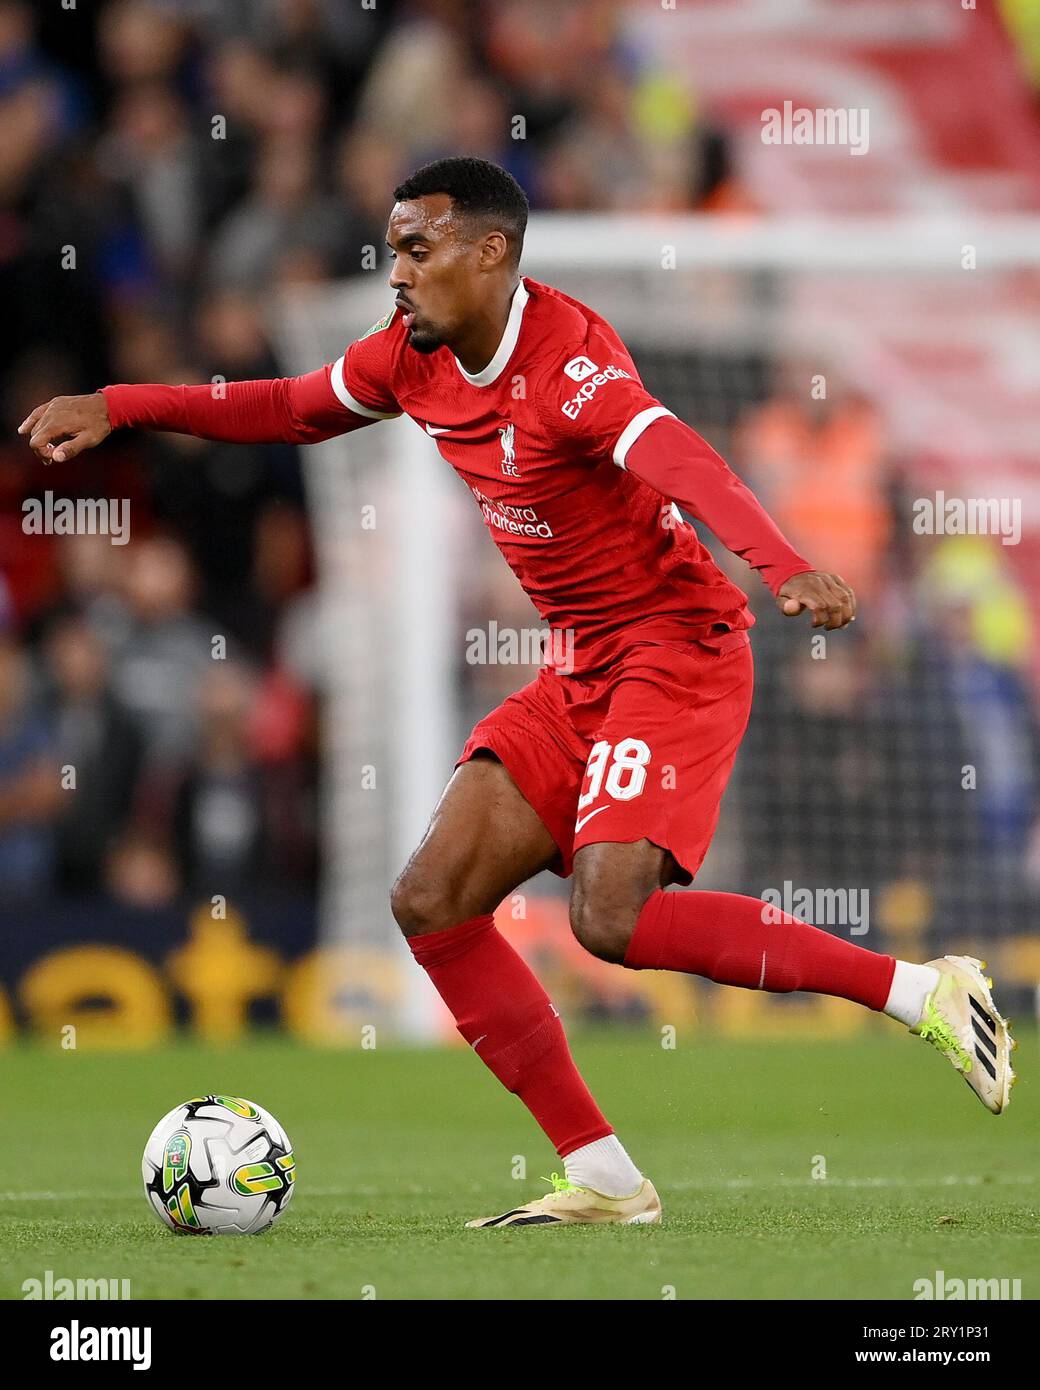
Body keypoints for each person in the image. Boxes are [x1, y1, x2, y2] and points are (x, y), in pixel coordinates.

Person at [19, 157, 1016, 1228]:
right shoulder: (412, 358)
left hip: (674, 650)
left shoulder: (571, 364)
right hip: (581, 663)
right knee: (432, 899)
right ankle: (601, 1175)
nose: (394, 273)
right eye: (390, 247)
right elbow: (290, 407)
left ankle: (922, 993)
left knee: (610, 916)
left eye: (416, 247)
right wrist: (121, 404)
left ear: (488, 251)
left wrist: (778, 562)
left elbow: (678, 454)